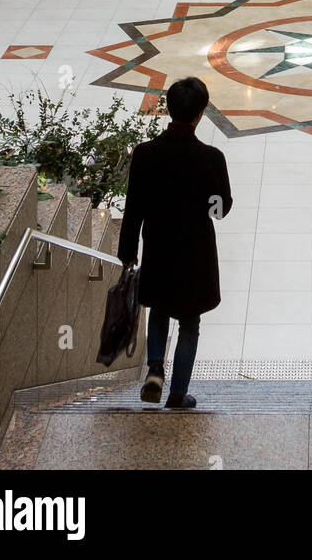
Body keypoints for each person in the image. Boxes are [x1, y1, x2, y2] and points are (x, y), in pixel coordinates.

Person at [118, 76, 233, 410]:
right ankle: (179, 395)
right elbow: (220, 208)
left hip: (158, 246)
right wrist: (209, 202)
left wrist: (127, 251)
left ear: (169, 109)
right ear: (200, 114)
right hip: (195, 250)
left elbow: (134, 207)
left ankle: (155, 366)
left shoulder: (145, 154)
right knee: (190, 321)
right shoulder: (211, 158)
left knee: (159, 308)